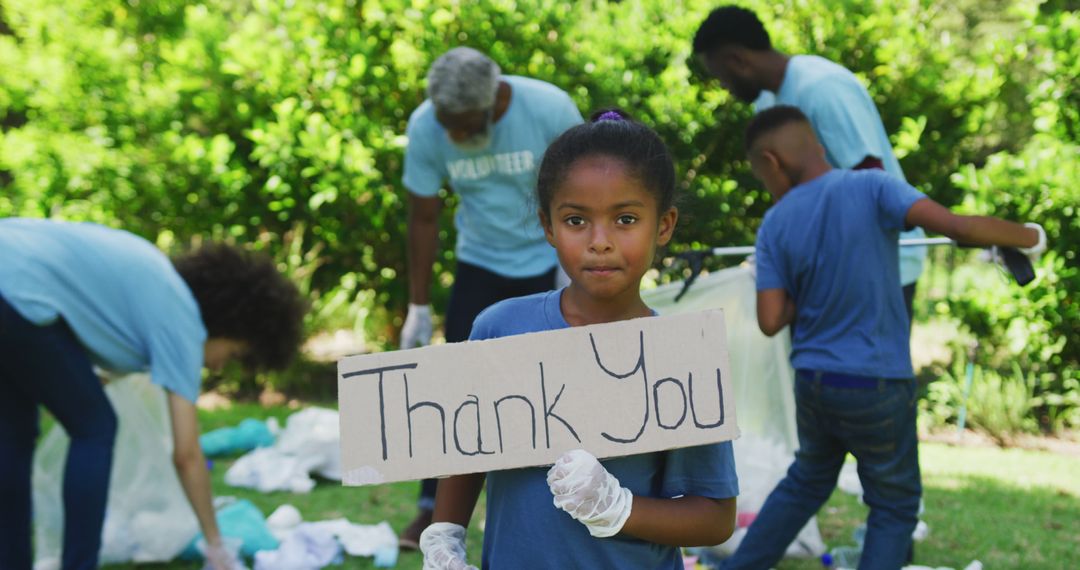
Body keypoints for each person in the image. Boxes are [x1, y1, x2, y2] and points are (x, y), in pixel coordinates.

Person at [718, 106, 1046, 570]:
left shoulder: (775, 222)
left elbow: (771, 318)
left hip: (813, 381)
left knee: (806, 482)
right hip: (876, 383)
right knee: (893, 505)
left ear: (770, 162)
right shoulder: (873, 187)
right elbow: (957, 227)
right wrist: (1029, 235)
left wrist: (809, 285)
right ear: (818, 145)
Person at [417, 110, 740, 569]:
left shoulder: (683, 358)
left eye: (626, 219)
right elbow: (465, 450)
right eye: (575, 221)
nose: (600, 241)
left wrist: (618, 507)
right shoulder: (499, 328)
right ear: (548, 226)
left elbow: (715, 518)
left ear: (664, 226)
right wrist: (443, 537)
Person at [0, 218, 307, 570]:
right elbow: (187, 455)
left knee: (14, 437)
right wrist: (215, 545)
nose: (220, 365)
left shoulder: (158, 294)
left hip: (9, 282)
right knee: (95, 428)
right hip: (18, 294)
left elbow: (84, 375)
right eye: (234, 353)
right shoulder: (182, 321)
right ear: (231, 323)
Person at [397, 46, 584, 547]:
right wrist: (418, 304)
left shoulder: (549, 108)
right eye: (446, 123)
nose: (452, 135)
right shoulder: (426, 126)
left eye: (462, 124)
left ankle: (560, 504)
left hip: (548, 260)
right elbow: (423, 215)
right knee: (457, 389)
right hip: (479, 260)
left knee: (555, 386)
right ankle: (430, 513)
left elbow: (584, 190)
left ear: (494, 101)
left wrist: (576, 273)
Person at [692, 5, 927, 322]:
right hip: (827, 269)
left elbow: (872, 180)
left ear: (738, 60)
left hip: (878, 264)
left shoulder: (822, 89)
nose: (724, 87)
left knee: (869, 370)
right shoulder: (767, 101)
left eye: (720, 76)